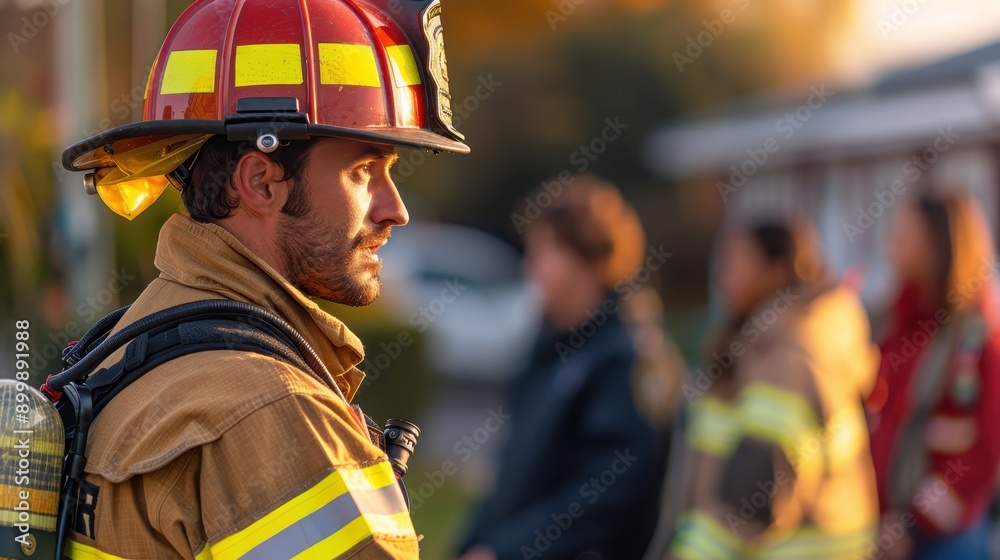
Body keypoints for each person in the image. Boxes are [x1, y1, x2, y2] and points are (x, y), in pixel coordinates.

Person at [55, 0, 469, 558]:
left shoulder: (123, 348)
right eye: (363, 171)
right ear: (262, 182)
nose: (395, 210)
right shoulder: (273, 409)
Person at [457, 176, 681, 560]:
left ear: (591, 261)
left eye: (545, 253)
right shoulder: (548, 346)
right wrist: (474, 544)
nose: (532, 269)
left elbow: (608, 493)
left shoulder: (628, 356)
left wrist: (504, 551)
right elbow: (512, 472)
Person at [654, 218, 880, 560]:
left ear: (777, 271)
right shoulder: (764, 341)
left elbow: (752, 503)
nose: (723, 275)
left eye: (738, 261)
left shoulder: (786, 354)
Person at [866, 193, 1000, 560]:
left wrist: (911, 525)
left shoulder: (974, 342)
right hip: (884, 534)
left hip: (944, 543)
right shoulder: (893, 327)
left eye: (906, 233)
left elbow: (984, 453)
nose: (891, 243)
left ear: (941, 245)